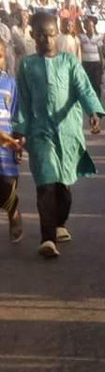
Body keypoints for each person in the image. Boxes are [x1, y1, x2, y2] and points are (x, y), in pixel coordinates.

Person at [13, 12, 104, 258]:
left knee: (63, 186)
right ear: (33, 36)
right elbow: (22, 101)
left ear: (58, 35)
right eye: (41, 35)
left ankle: (60, 223)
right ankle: (47, 239)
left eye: (52, 35)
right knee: (46, 181)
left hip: (68, 130)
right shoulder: (27, 65)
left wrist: (93, 111)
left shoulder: (69, 62)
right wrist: (19, 130)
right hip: (40, 131)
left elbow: (84, 88)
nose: (47, 40)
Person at [0, 40, 23, 242]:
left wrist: (19, 138)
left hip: (6, 145)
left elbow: (16, 114)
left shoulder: (10, 83)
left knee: (7, 185)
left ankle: (13, 212)